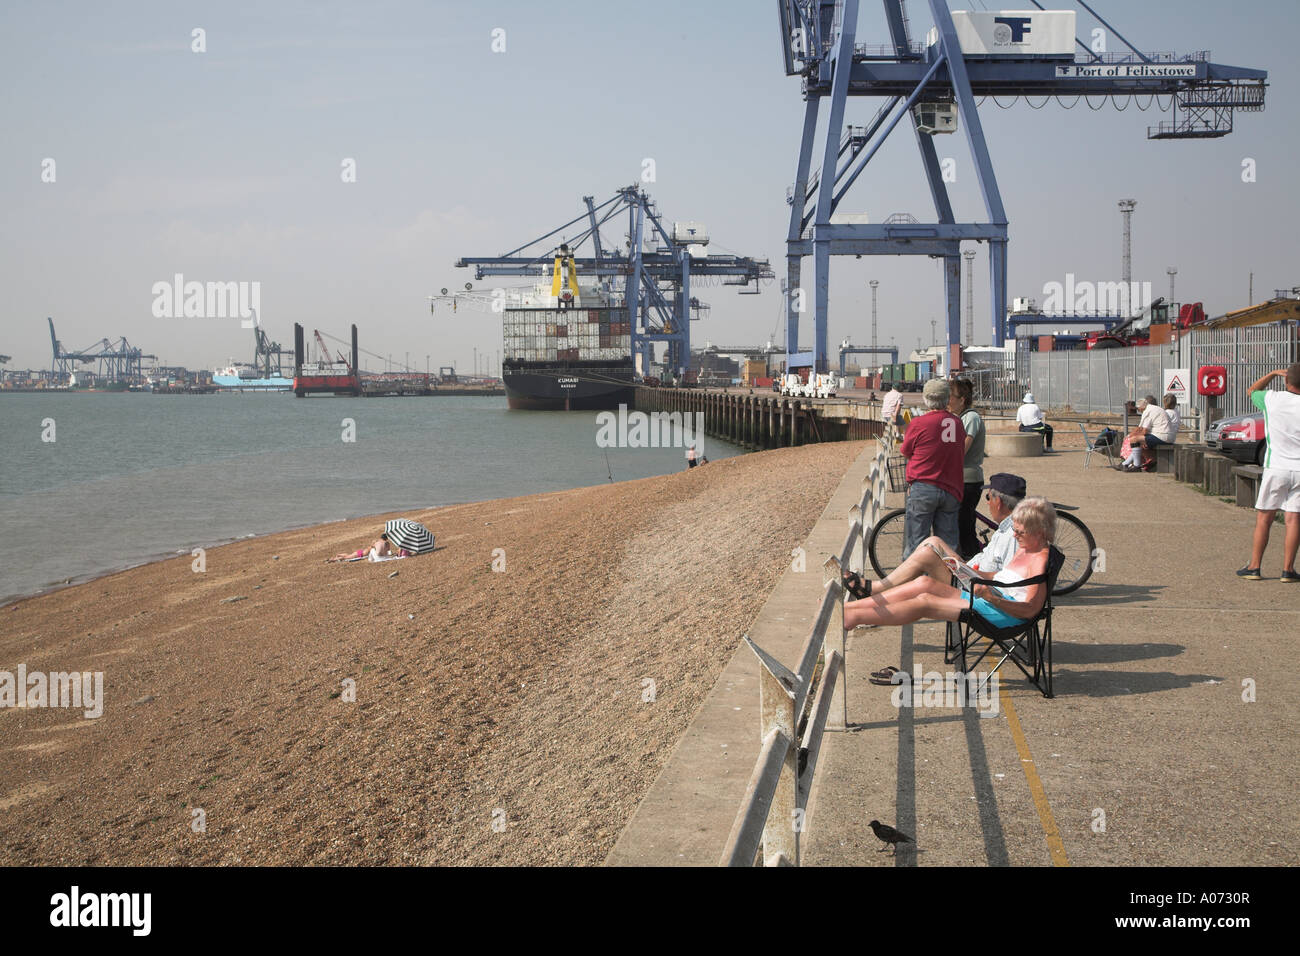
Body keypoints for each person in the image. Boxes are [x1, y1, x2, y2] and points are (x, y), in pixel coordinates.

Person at [844, 497, 1055, 631]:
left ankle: (854, 617)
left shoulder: (1039, 561)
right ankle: (848, 608)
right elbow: (1004, 577)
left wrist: (991, 597)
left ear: (1041, 531)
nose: (1015, 535)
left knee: (925, 602)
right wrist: (972, 573)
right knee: (923, 584)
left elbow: (1029, 610)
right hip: (988, 596)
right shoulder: (1026, 547)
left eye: (1020, 531)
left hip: (1004, 614)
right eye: (1014, 530)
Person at [843, 473, 1026, 600]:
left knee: (927, 556)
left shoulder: (1014, 535)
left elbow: (1008, 578)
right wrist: (964, 565)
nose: (987, 503)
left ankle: (874, 589)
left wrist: (972, 572)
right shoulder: (1007, 528)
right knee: (934, 541)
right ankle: (879, 588)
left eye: (988, 497)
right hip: (973, 575)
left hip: (977, 589)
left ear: (999, 502)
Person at [1238, 363, 1300, 582]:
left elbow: (1252, 391)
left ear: (1286, 380)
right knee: (1294, 520)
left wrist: (1272, 373)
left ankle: (1254, 567)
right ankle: (1288, 570)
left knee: (1265, 518)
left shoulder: (1273, 399)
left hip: (1277, 467)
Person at [900, 378, 965, 557]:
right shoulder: (957, 423)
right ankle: (947, 581)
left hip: (923, 487)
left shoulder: (919, 423)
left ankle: (914, 581)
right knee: (948, 546)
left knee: (916, 544)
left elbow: (906, 451)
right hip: (951, 487)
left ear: (926, 399)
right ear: (947, 398)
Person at [949, 378, 986, 559]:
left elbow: (962, 449)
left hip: (968, 479)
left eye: (950, 397)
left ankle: (974, 569)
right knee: (962, 525)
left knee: (965, 529)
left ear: (962, 399)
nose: (947, 400)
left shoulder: (971, 417)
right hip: (960, 478)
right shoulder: (959, 418)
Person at [1121, 394, 1173, 471]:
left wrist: (1134, 437)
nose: (1139, 411)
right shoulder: (1154, 408)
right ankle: (1126, 463)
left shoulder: (1147, 411)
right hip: (1166, 436)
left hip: (1162, 437)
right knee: (1137, 441)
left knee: (1134, 440)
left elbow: (1143, 430)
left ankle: (1136, 466)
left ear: (1141, 407)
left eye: (1138, 409)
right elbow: (1144, 430)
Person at [326, 532, 408, 563]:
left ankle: (338, 556)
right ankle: (334, 559)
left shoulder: (375, 544)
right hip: (360, 554)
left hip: (360, 552)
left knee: (347, 556)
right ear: (386, 538)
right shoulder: (383, 544)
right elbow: (387, 551)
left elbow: (374, 547)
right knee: (347, 557)